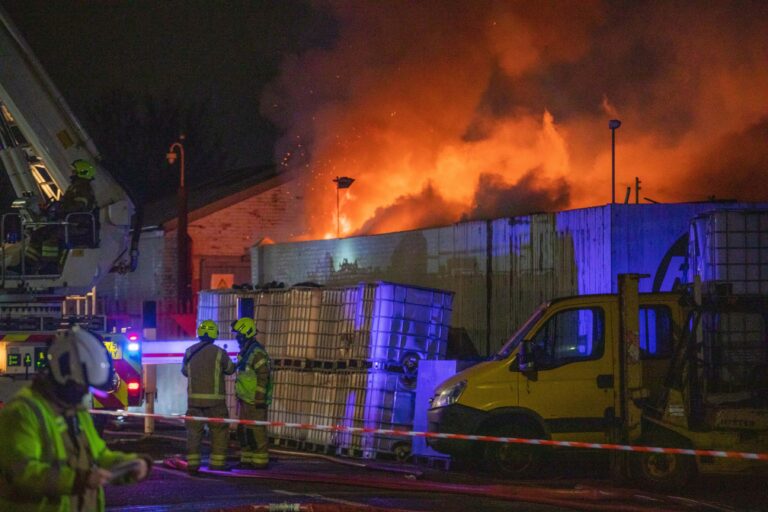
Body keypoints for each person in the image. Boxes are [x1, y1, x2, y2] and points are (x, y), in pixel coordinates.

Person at [0, 326, 151, 511]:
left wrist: (129, 465)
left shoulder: (76, 412)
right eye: (81, 386)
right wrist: (80, 479)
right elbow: (22, 473)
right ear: (62, 374)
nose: (84, 393)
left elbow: (99, 455)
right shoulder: (22, 413)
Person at [182, 320, 235, 474]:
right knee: (219, 432)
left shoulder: (189, 351)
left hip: (193, 402)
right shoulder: (219, 352)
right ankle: (217, 464)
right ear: (214, 334)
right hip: (215, 402)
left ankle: (192, 464)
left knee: (193, 433)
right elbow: (231, 369)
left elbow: (185, 371)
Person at [232, 317, 272, 469]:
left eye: (238, 334)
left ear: (245, 334)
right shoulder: (247, 351)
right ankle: (247, 458)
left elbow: (263, 375)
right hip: (246, 399)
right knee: (244, 430)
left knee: (257, 431)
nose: (237, 338)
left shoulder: (256, 352)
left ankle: (260, 461)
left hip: (255, 400)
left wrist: (259, 397)